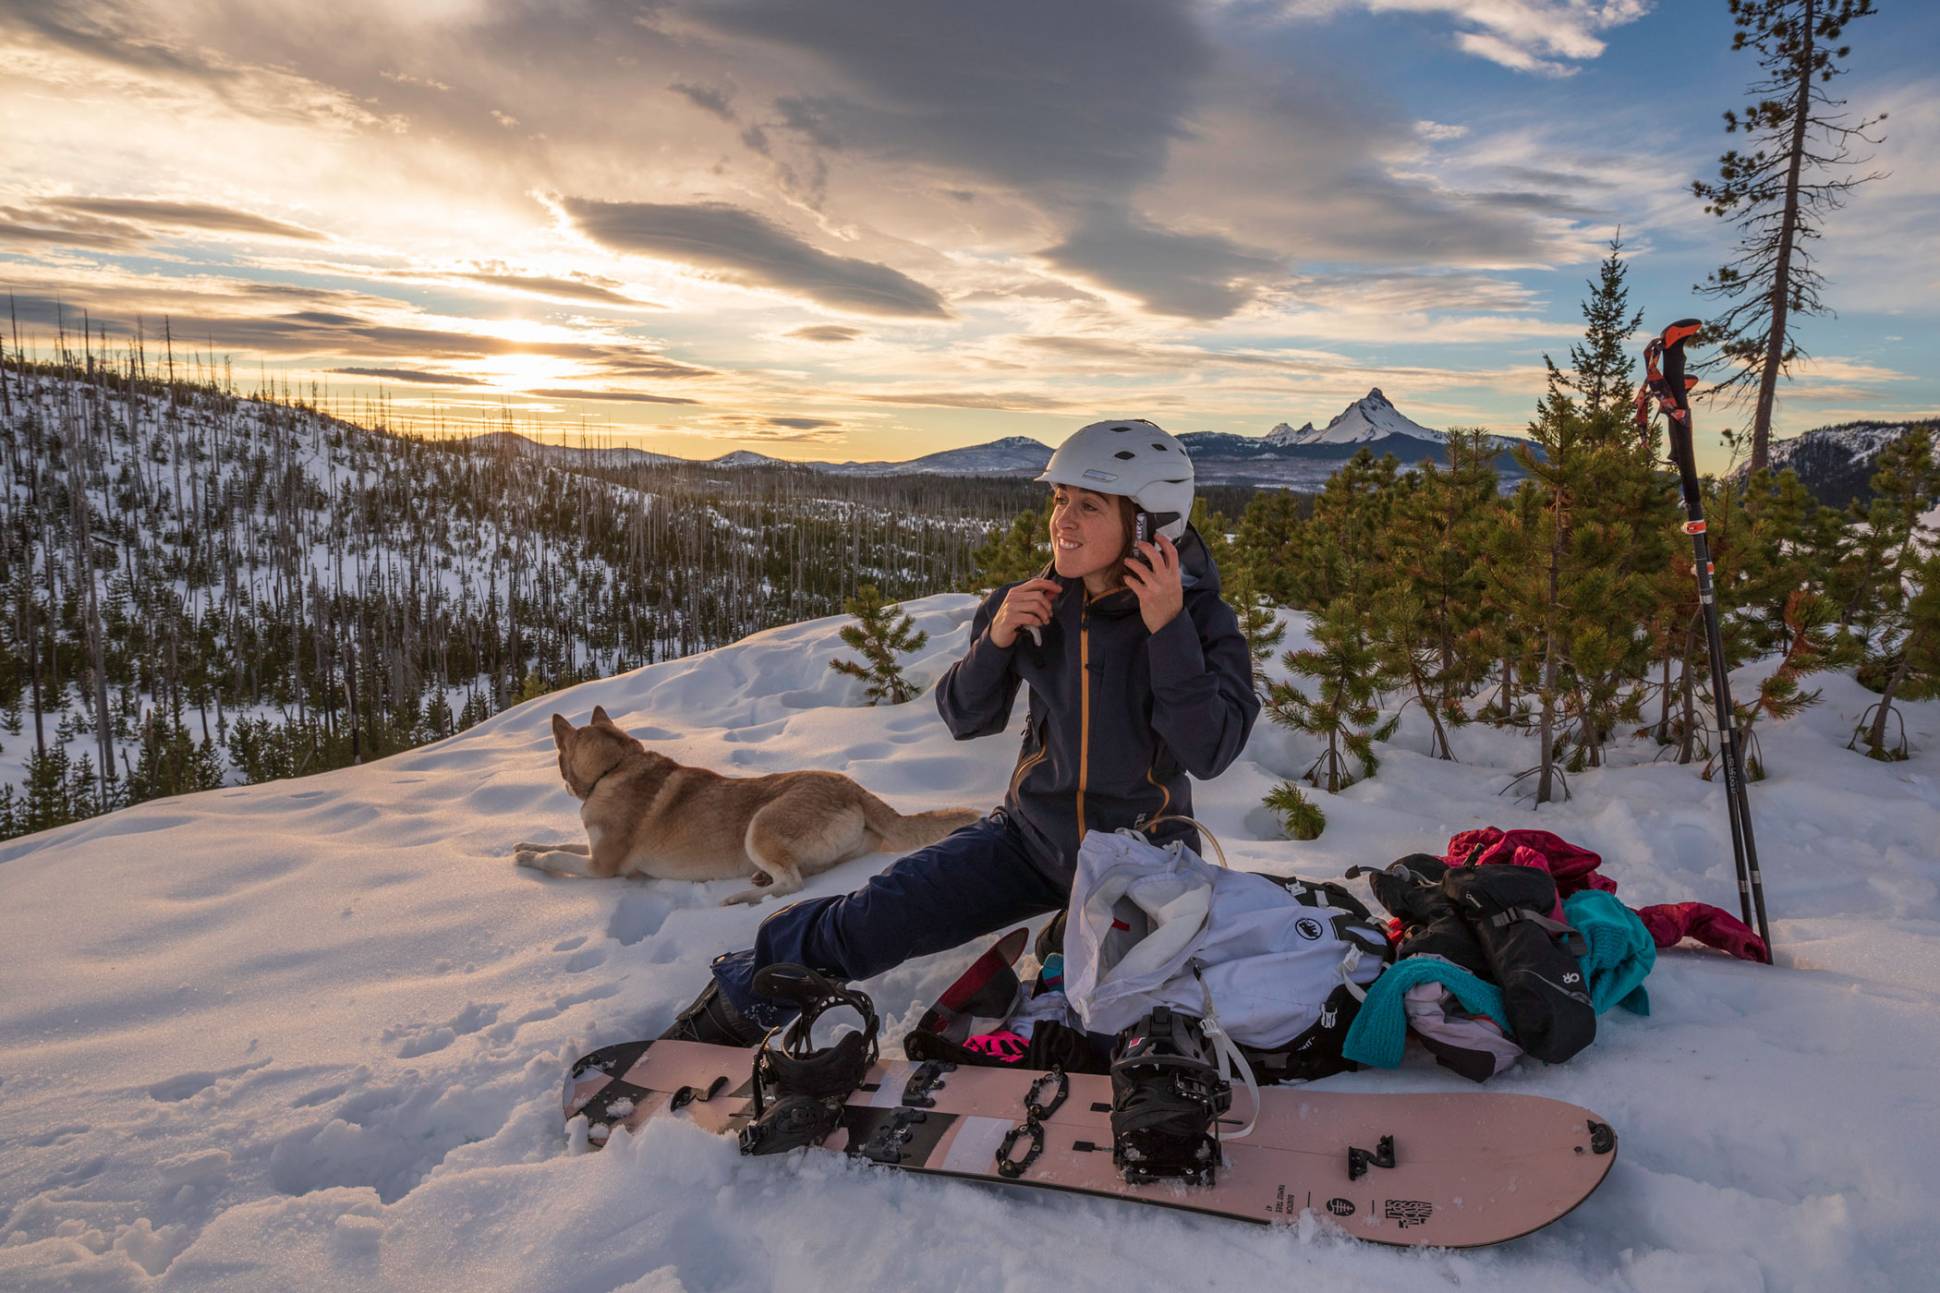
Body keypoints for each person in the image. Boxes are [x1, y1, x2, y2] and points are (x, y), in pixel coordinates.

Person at [663, 418, 1262, 1044]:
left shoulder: (1200, 619)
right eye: (1059, 500)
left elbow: (1209, 749)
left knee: (1119, 1024)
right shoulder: (1035, 601)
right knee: (871, 917)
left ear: (1146, 522)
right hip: (1029, 844)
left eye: (1088, 505)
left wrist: (1168, 631)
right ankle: (736, 1002)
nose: (1063, 519)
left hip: (1145, 862)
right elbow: (963, 716)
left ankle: (1064, 950)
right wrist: (997, 640)